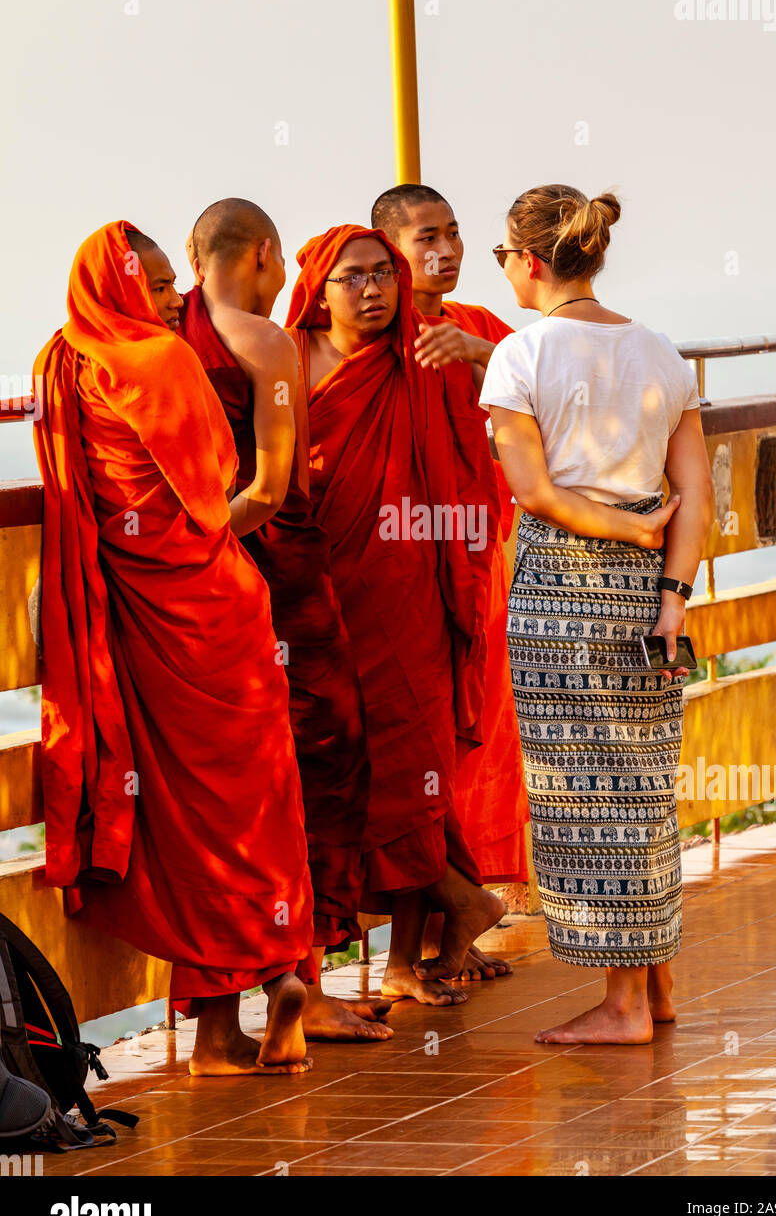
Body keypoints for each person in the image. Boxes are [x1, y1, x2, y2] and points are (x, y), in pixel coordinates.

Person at [33, 221, 315, 1075]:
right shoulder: (159, 361)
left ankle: (228, 1021)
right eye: (155, 286)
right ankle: (269, 979)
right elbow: (212, 489)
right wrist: (196, 549)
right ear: (120, 285)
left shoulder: (64, 361)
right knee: (254, 803)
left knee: (190, 824)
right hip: (218, 606)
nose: (170, 301)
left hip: (144, 621)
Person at [479, 184, 712, 1044]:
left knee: (587, 800)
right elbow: (696, 496)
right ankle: (656, 986)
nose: (502, 269)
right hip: (651, 591)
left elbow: (534, 493)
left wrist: (619, 524)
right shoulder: (658, 351)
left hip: (563, 594)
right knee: (644, 788)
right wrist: (671, 594)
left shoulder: (520, 355)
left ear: (531, 260)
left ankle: (621, 1008)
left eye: (501, 254)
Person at [180, 198, 390, 1042]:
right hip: (282, 575)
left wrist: (178, 551)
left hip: (206, 598)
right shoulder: (265, 342)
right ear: (266, 254)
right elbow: (271, 490)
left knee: (246, 791)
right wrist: (205, 541)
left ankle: (261, 992)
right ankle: (308, 977)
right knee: (325, 764)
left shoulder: (167, 342)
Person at [285, 224, 506, 1006]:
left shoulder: (425, 351)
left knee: (416, 764)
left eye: (384, 273)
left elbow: (543, 386)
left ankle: (405, 960)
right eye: (354, 278)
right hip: (320, 590)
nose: (374, 289)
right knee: (330, 770)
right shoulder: (290, 359)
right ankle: (445, 909)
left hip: (413, 583)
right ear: (319, 287)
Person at [371, 183, 528, 979]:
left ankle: (449, 930)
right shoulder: (371, 334)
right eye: (427, 236)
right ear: (389, 252)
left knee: (468, 743)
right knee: (413, 753)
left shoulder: (478, 331)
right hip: (397, 571)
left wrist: (485, 361)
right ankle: (429, 932)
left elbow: (551, 407)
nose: (448, 250)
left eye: (456, 233)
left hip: (475, 561)